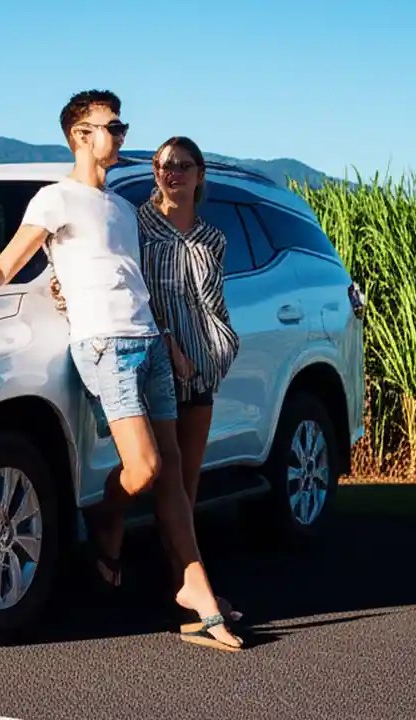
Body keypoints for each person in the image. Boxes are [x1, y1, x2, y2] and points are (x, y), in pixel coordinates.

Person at [0, 90, 243, 651]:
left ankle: (197, 595)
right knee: (145, 469)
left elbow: (133, 282)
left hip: (150, 343)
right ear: (80, 136)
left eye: (122, 124)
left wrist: (166, 338)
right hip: (105, 347)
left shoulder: (120, 208)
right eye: (113, 125)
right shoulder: (53, 200)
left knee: (173, 478)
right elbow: (6, 265)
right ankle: (107, 521)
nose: (122, 134)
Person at [138, 136, 242, 622]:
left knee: (187, 484)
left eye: (181, 165)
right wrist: (167, 342)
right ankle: (187, 583)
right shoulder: (138, 226)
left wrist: (219, 352)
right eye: (162, 165)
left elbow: (213, 306)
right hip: (156, 362)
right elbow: (133, 292)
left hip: (200, 368)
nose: (170, 172)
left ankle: (180, 580)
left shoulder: (212, 239)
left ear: (200, 175)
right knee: (161, 474)